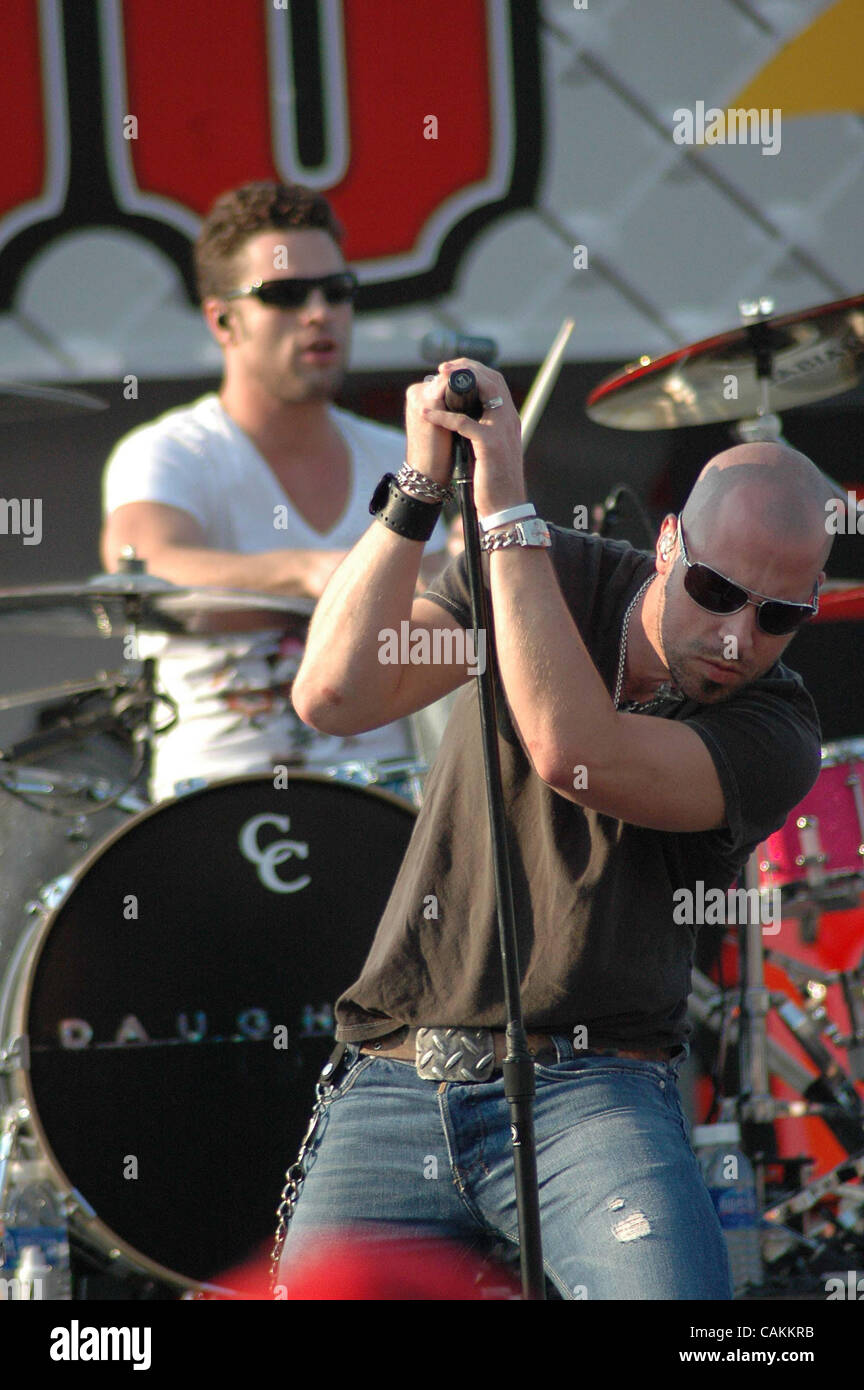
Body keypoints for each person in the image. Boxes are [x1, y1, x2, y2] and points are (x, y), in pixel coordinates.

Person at [273, 358, 836, 1300]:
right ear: (667, 545)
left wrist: (504, 512)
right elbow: (334, 693)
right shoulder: (552, 569)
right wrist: (419, 488)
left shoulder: (777, 730)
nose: (739, 635)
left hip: (593, 1095)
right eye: (716, 589)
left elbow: (572, 752)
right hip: (398, 1068)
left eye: (780, 614)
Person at [100, 181, 448, 801]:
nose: (319, 312)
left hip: (385, 804)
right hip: (209, 806)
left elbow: (448, 599)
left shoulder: (400, 453)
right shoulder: (170, 451)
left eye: (336, 291)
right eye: (286, 294)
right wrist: (310, 573)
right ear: (223, 320)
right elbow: (145, 569)